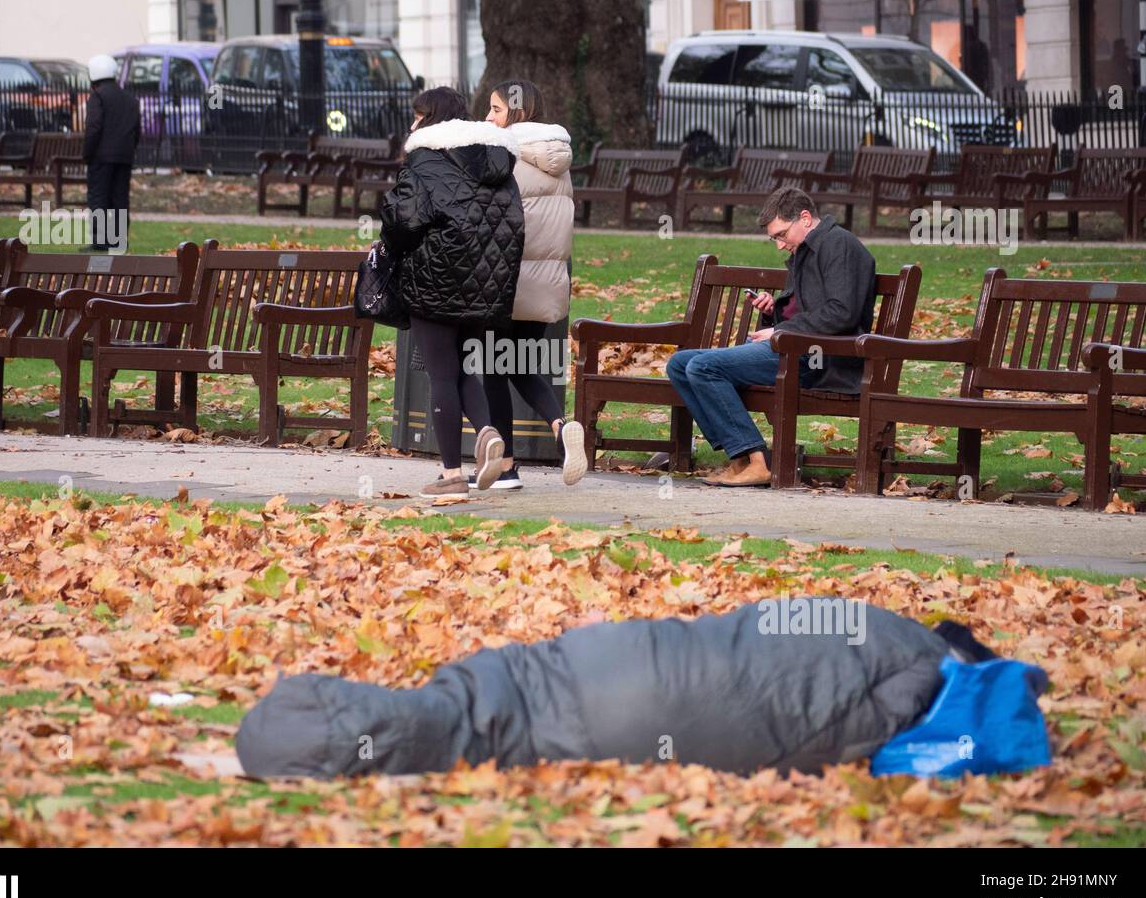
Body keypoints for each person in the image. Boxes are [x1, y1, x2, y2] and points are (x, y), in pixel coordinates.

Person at [234, 597, 1050, 779]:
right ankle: (328, 734)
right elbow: (837, 733)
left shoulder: (876, 624)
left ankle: (325, 728)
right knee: (486, 725)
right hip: (641, 703)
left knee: (491, 702)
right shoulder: (912, 667)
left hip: (615, 661)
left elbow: (754, 628)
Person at [666, 186, 876, 488]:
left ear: (805, 218)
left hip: (819, 359)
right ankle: (740, 461)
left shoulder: (839, 246)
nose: (779, 245)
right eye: (774, 238)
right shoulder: (806, 248)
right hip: (793, 347)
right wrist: (772, 312)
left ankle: (757, 461)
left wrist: (781, 331)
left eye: (781, 235)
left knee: (703, 367)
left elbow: (841, 313)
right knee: (679, 363)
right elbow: (803, 312)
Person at [380, 86, 525, 498]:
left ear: (432, 118)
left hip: (434, 278)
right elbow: (510, 220)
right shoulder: (497, 159)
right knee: (463, 370)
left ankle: (451, 476)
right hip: (483, 283)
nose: (412, 124)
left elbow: (404, 220)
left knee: (441, 377)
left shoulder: (424, 159)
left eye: (418, 115)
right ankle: (487, 433)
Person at [477, 78, 587, 489]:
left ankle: (505, 466)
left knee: (491, 366)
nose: (489, 118)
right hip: (546, 283)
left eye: (496, 110)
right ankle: (560, 426)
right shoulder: (558, 160)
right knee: (520, 364)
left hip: (505, 282)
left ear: (517, 113)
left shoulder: (506, 157)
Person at [83, 54, 140, 252]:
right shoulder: (130, 99)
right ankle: (118, 240)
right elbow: (136, 130)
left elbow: (93, 127)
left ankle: (100, 240)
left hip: (101, 157)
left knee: (98, 198)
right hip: (124, 157)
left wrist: (87, 153)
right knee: (120, 199)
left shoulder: (97, 96)